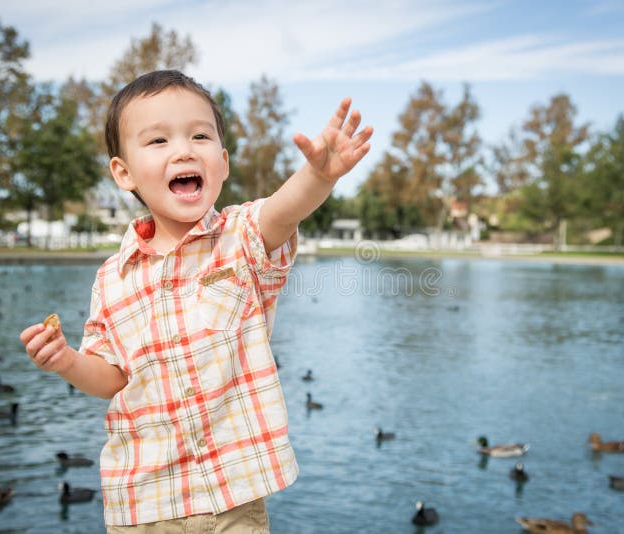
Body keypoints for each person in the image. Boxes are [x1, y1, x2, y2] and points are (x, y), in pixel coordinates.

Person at [19, 69, 372, 532]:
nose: (184, 149)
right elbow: (110, 377)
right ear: (123, 172)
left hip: (231, 500)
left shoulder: (241, 241)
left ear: (222, 164)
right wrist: (65, 360)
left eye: (199, 136)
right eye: (158, 141)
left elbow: (283, 210)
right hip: (142, 503)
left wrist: (318, 177)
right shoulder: (112, 278)